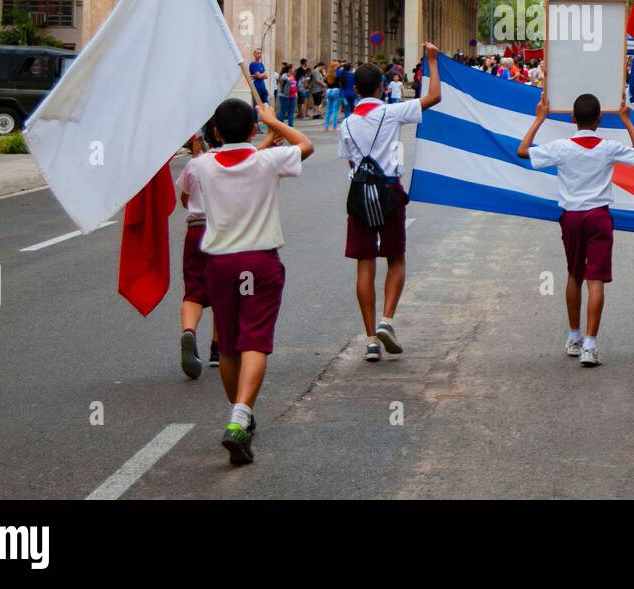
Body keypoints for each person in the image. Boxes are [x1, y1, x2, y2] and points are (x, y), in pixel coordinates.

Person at [196, 98, 313, 464]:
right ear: (253, 129)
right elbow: (304, 145)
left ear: (216, 132)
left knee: (229, 346)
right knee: (255, 342)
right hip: (259, 264)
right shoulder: (268, 161)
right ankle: (239, 417)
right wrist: (273, 120)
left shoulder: (201, 166)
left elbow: (224, 167)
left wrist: (257, 137)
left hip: (221, 265)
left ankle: (239, 415)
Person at [518, 90, 634, 367]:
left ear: (573, 117)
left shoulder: (562, 146)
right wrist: (626, 120)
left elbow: (523, 151)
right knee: (595, 280)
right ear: (599, 118)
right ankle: (590, 344)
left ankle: (574, 336)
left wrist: (540, 118)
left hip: (572, 217)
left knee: (574, 274)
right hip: (599, 216)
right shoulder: (608, 147)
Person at [340, 43, 442, 362]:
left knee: (364, 263)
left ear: (355, 89)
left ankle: (370, 338)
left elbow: (351, 165)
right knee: (395, 257)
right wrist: (433, 61)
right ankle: (387, 320)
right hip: (389, 191)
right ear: (383, 87)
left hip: (359, 196)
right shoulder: (392, 112)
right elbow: (434, 97)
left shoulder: (346, 125)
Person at [177, 123, 222, 379]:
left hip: (195, 230)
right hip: (223, 231)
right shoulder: (239, 162)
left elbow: (185, 199)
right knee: (222, 288)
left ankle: (189, 331)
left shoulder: (195, 164)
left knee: (193, 290)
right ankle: (217, 348)